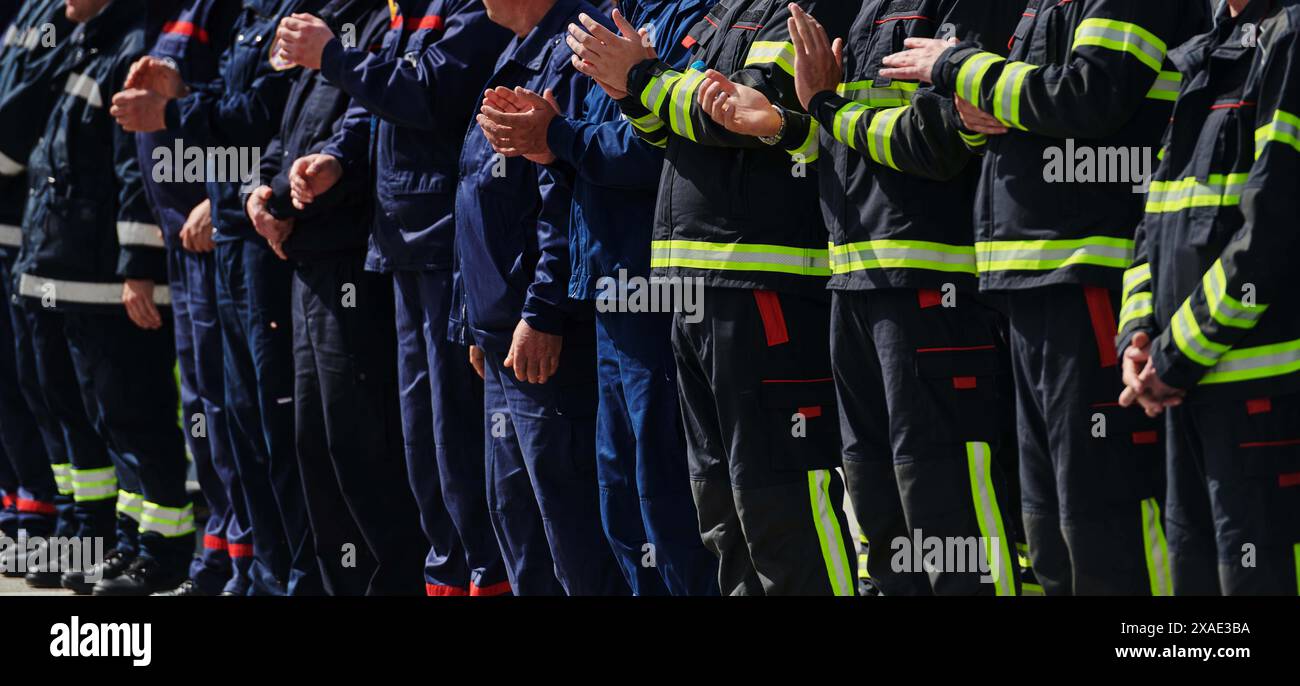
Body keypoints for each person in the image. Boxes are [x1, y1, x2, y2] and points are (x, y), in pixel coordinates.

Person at [880, 0, 1209, 594]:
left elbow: (1089, 97)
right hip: (1030, 285)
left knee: (1110, 521)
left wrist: (957, 66)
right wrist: (974, 98)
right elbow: (1023, 107)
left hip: (1093, 276)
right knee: (1052, 532)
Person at [699, 1, 1027, 595]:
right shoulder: (870, 8)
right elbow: (837, 141)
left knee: (949, 516)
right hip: (851, 286)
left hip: (930, 285)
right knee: (881, 520)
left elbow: (936, 140)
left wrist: (823, 104)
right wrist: (782, 124)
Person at [568, 0, 859, 595]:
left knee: (780, 508)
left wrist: (644, 79)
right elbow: (668, 132)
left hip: (763, 287)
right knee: (722, 517)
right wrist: (629, 95)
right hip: (694, 290)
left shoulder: (808, 10)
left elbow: (732, 111)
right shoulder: (726, 11)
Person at [475, 0, 718, 596]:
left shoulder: (700, 18)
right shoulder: (617, 18)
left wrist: (554, 134)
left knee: (669, 504)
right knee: (621, 508)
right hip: (608, 291)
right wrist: (546, 135)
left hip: (660, 288)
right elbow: (573, 152)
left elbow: (652, 151)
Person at [276, 0, 515, 596]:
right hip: (403, 248)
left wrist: (331, 54)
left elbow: (426, 93)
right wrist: (334, 157)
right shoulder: (410, 11)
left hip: (445, 248)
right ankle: (444, 579)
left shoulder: (471, 10)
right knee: (422, 441)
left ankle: (480, 578)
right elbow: (376, 106)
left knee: (459, 438)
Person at [112, 0, 331, 596]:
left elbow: (268, 115)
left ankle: (292, 579)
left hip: (264, 244)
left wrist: (173, 107)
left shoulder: (295, 15)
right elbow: (230, 118)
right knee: (235, 422)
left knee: (276, 428)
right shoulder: (250, 16)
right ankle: (256, 573)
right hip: (232, 240)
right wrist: (182, 94)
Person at [1117, 0, 1300, 595]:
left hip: (1262, 397)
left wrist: (1171, 359)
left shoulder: (1290, 37)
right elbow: (1154, 223)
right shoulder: (1208, 49)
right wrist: (1138, 335)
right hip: (1187, 392)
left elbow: (1271, 232)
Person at [247, 0, 429, 596]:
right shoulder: (325, 17)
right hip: (306, 258)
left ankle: (388, 583)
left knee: (360, 440)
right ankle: (339, 585)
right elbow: (288, 127)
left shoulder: (379, 22)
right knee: (314, 441)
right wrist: (264, 192)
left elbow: (363, 121)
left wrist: (315, 178)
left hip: (351, 257)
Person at [15, 0, 193, 595]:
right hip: (61, 266)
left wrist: (139, 266)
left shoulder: (134, 43)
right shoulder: (84, 39)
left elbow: (136, 170)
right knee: (84, 418)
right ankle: (111, 542)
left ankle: (159, 552)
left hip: (104, 277)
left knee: (134, 417)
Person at [460, 0, 628, 595]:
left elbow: (561, 202)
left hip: (538, 330)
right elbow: (477, 194)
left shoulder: (570, 47)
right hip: (499, 329)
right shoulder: (516, 51)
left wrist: (542, 310)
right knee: (516, 513)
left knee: (567, 514)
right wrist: (471, 320)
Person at [128, 0, 246, 598]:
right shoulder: (165, 13)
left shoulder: (232, 11)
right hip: (181, 243)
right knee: (202, 412)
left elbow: (258, 113)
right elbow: (136, 141)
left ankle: (247, 568)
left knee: (233, 414)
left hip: (222, 236)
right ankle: (217, 562)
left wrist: (221, 194)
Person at [0, 0, 74, 577]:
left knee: (41, 385)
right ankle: (23, 511)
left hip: (28, 232)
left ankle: (47, 518)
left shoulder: (53, 15)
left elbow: (24, 112)